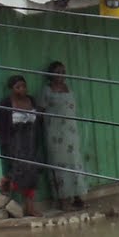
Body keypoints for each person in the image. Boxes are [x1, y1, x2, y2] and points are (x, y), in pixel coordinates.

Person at [38, 61, 89, 211]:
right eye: (57, 72)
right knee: (59, 165)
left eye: (63, 72)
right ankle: (64, 201)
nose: (60, 75)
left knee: (75, 163)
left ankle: (78, 198)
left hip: (71, 133)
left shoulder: (68, 88)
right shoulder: (46, 91)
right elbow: (40, 111)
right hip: (55, 135)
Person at [0, 75, 41, 217]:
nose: (22, 89)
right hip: (14, 144)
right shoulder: (6, 103)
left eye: (24, 86)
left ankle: (30, 207)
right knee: (16, 173)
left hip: (31, 143)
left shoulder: (31, 100)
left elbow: (38, 121)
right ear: (11, 89)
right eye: (18, 87)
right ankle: (4, 203)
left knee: (32, 174)